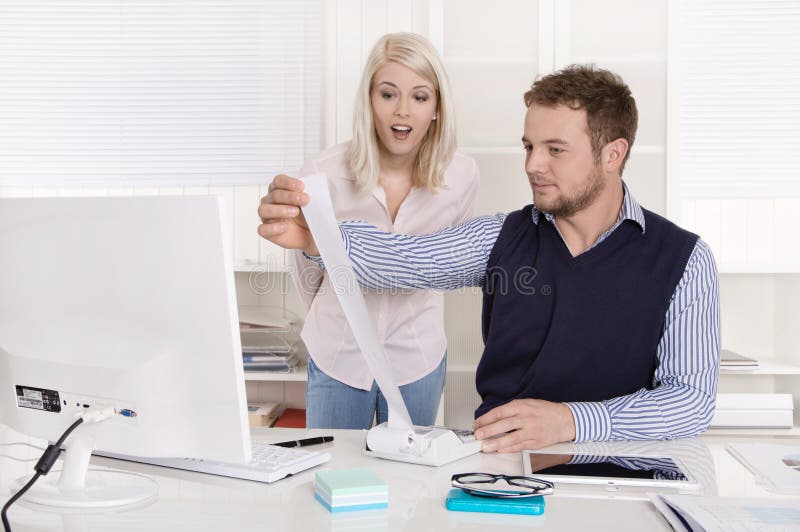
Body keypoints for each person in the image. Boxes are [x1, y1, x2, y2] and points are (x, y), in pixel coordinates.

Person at [258, 65, 720, 452]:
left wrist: (571, 421)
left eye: (555, 150)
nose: (533, 165)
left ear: (612, 154)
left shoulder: (685, 260)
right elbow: (407, 258)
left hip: (624, 468)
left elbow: (690, 400)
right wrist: (316, 236)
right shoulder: (502, 236)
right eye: (529, 147)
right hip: (502, 472)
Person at [271, 33, 479, 429]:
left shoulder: (462, 174)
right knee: (336, 476)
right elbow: (306, 271)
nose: (403, 111)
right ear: (369, 100)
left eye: (419, 97)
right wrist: (339, 317)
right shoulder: (323, 173)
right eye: (388, 94)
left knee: (408, 479)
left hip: (417, 358)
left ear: (437, 107)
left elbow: (454, 262)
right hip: (338, 358)